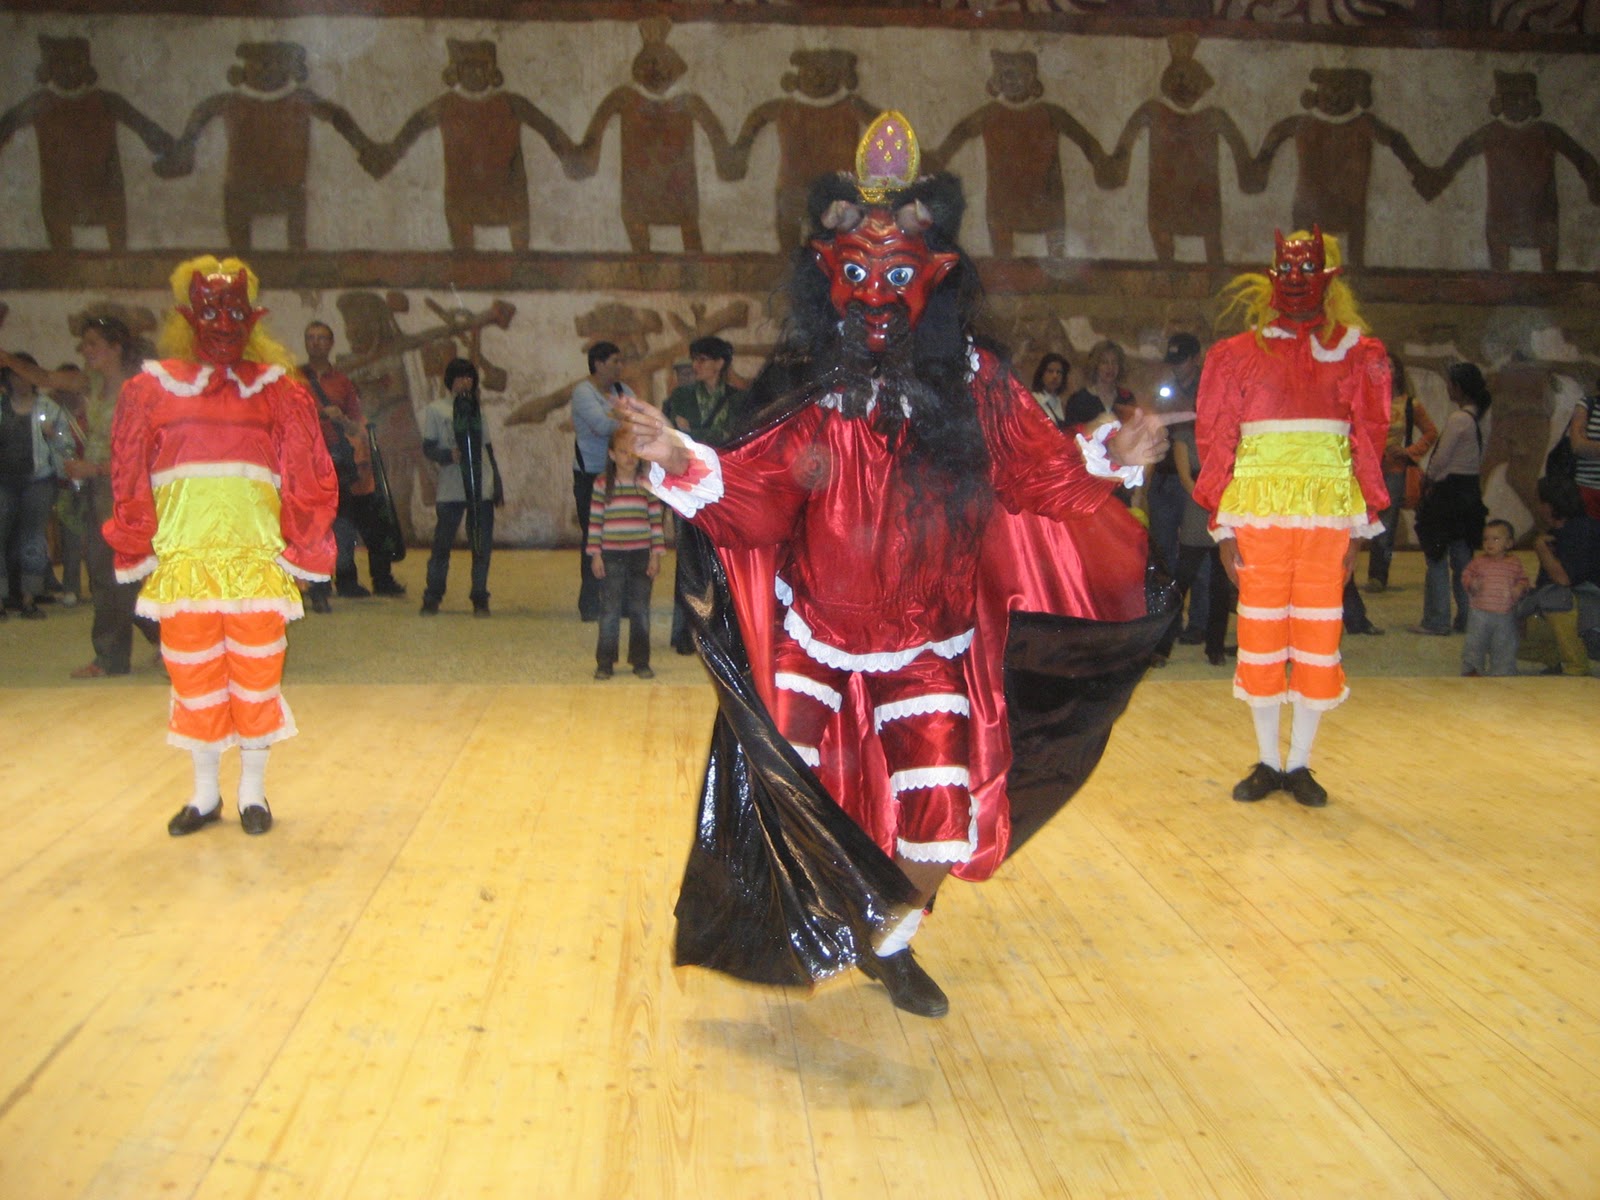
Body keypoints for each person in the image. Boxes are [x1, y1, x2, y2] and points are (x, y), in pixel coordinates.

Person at [618, 111, 1168, 1018]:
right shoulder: (810, 391)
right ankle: (783, 922)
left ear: (937, 278)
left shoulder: (981, 383)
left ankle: (889, 936)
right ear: (827, 279)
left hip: (929, 641)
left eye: (900, 274)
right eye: (858, 273)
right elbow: (752, 497)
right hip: (814, 635)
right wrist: (676, 453)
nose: (877, 293)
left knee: (939, 817)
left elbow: (1043, 478)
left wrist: (1119, 450)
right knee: (782, 786)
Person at [103, 255, 337, 836]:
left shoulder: (279, 391)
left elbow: (307, 472)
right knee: (194, 678)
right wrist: (135, 542)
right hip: (184, 565)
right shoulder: (150, 390)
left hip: (256, 564)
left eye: (236, 309)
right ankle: (205, 795)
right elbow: (127, 470)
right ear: (189, 314)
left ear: (253, 316)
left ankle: (252, 793)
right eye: (211, 309)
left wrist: (305, 548)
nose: (225, 322)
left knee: (258, 678)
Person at [1193, 228, 1390, 809]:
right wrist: (1224, 526)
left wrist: (1358, 525)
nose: (1297, 281)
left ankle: (1299, 763)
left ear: (1328, 280)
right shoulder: (1234, 355)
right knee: (1257, 638)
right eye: (1288, 269)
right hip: (1258, 518)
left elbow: (1369, 437)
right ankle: (1267, 761)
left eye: (1309, 271)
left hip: (1327, 521)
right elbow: (1217, 436)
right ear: (1273, 275)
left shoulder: (1359, 353)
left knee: (1317, 639)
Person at [1, 317, 160, 676]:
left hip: (130, 490)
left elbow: (147, 451)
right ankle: (136, 649)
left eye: (92, 344)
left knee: (125, 573)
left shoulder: (141, 389)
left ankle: (120, 655)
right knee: (108, 574)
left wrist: (97, 469)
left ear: (116, 347)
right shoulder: (94, 383)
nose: (84, 351)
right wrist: (10, 360)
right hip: (100, 489)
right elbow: (45, 378)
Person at [300, 320, 405, 609]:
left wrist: (340, 420)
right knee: (308, 524)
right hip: (304, 460)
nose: (316, 343)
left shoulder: (342, 382)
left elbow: (357, 423)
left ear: (331, 344)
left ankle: (345, 580)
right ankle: (308, 581)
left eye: (322, 338)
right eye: (311, 338)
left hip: (337, 458)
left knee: (344, 521)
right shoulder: (293, 379)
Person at [663, 336, 742, 654]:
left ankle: (724, 634)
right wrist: (704, 437)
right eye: (694, 359)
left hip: (726, 489)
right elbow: (672, 437)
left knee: (724, 561)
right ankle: (685, 633)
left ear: (720, 364)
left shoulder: (739, 399)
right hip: (686, 488)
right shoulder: (680, 397)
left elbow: (736, 439)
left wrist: (694, 432)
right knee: (688, 559)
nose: (696, 366)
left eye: (703, 359)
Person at [1411, 362, 1490, 636]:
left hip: (1448, 496)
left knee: (1436, 558)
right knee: (1463, 559)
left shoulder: (1458, 419)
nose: (1447, 387)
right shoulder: (1478, 418)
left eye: (1450, 383)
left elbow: (1441, 459)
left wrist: (1427, 480)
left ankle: (1437, 620)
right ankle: (1468, 617)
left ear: (1458, 387)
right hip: (1469, 494)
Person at [420, 358, 499, 618]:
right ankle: (432, 596)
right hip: (451, 486)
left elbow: (487, 447)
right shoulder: (436, 410)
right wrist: (446, 455)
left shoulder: (478, 410)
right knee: (442, 544)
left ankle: (480, 596)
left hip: (481, 484)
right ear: (450, 381)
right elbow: (428, 446)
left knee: (481, 545)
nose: (465, 381)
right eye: (460, 377)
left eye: (469, 377)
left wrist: (496, 483)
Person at [587, 427, 664, 680]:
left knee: (640, 610)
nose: (629, 457)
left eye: (633, 452)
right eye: (622, 451)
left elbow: (655, 520)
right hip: (611, 556)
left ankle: (640, 660)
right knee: (609, 610)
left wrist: (656, 554)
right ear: (612, 454)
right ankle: (605, 661)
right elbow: (595, 521)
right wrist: (595, 554)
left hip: (641, 554)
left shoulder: (647, 484)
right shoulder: (601, 484)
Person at [0, 355, 73, 619]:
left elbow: (66, 445)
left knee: (32, 538)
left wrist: (55, 436)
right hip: (3, 481)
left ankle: (30, 598)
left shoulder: (48, 407)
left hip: (39, 480)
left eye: (24, 375)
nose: (20, 381)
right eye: (14, 375)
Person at [1365, 353, 1438, 592]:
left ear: (1398, 371)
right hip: (1367, 469)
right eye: (1379, 365)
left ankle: (1378, 576)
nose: (1385, 370)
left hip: (1394, 471)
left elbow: (1430, 432)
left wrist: (1408, 452)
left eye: (1389, 365)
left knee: (1386, 524)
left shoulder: (1409, 404)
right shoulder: (1366, 399)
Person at [570, 341, 630, 622]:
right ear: (598, 363)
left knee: (625, 536)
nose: (620, 366)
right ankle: (590, 603)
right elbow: (603, 425)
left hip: (620, 473)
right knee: (594, 539)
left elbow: (634, 417)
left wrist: (619, 416)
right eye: (615, 361)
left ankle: (625, 602)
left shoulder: (621, 390)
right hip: (590, 474)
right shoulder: (583, 392)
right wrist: (622, 417)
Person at [1517, 475, 1600, 676]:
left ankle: (1576, 667)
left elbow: (1564, 580)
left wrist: (1541, 549)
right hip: (1581, 616)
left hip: (1593, 619)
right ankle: (1556, 659)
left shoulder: (1584, 529)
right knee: (1503, 632)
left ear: (1550, 505)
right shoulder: (1555, 532)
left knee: (1557, 599)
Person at [1459, 519, 1529, 676]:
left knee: (1504, 644)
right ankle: (1473, 668)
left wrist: (1519, 588)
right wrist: (1472, 583)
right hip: (1479, 613)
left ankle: (1502, 671)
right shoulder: (1478, 562)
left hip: (1505, 614)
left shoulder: (1514, 563)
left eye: (1496, 539)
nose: (1489, 543)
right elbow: (1465, 576)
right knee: (1475, 643)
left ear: (1509, 543)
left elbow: (1523, 580)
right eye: (1486, 539)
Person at [1063, 339, 1137, 428]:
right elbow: (1071, 434)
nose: (1110, 367)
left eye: (1114, 362)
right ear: (1095, 365)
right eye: (1104, 362)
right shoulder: (1078, 400)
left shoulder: (1127, 398)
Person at [1565, 379, 1600, 520]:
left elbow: (1585, 446)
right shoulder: (1587, 405)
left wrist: (1591, 446)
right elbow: (1578, 446)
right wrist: (1585, 445)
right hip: (1586, 491)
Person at [1029, 352, 1071, 427]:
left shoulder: (1062, 403)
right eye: (1050, 371)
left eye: (1059, 372)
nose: (1055, 376)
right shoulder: (1032, 401)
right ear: (1041, 375)